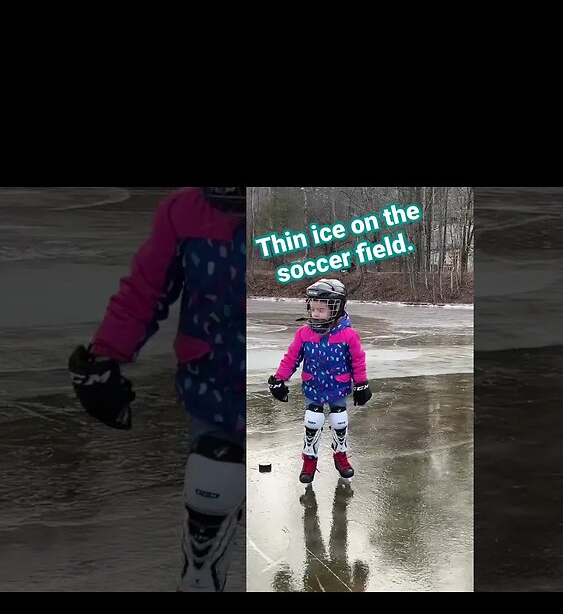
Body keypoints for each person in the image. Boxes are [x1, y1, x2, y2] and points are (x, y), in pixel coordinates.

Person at [68, 187, 245, 593]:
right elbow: (144, 292)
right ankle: (200, 577)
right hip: (213, 382)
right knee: (212, 491)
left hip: (273, 382)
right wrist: (105, 355)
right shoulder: (183, 212)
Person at [267, 279, 371, 484]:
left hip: (338, 387)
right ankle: (309, 460)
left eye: (321, 310)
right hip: (313, 386)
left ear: (336, 309)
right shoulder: (304, 334)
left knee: (339, 421)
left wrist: (361, 384)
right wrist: (279, 379)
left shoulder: (348, 335)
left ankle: (341, 456)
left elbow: (358, 360)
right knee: (312, 421)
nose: (315, 314)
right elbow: (292, 358)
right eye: (313, 309)